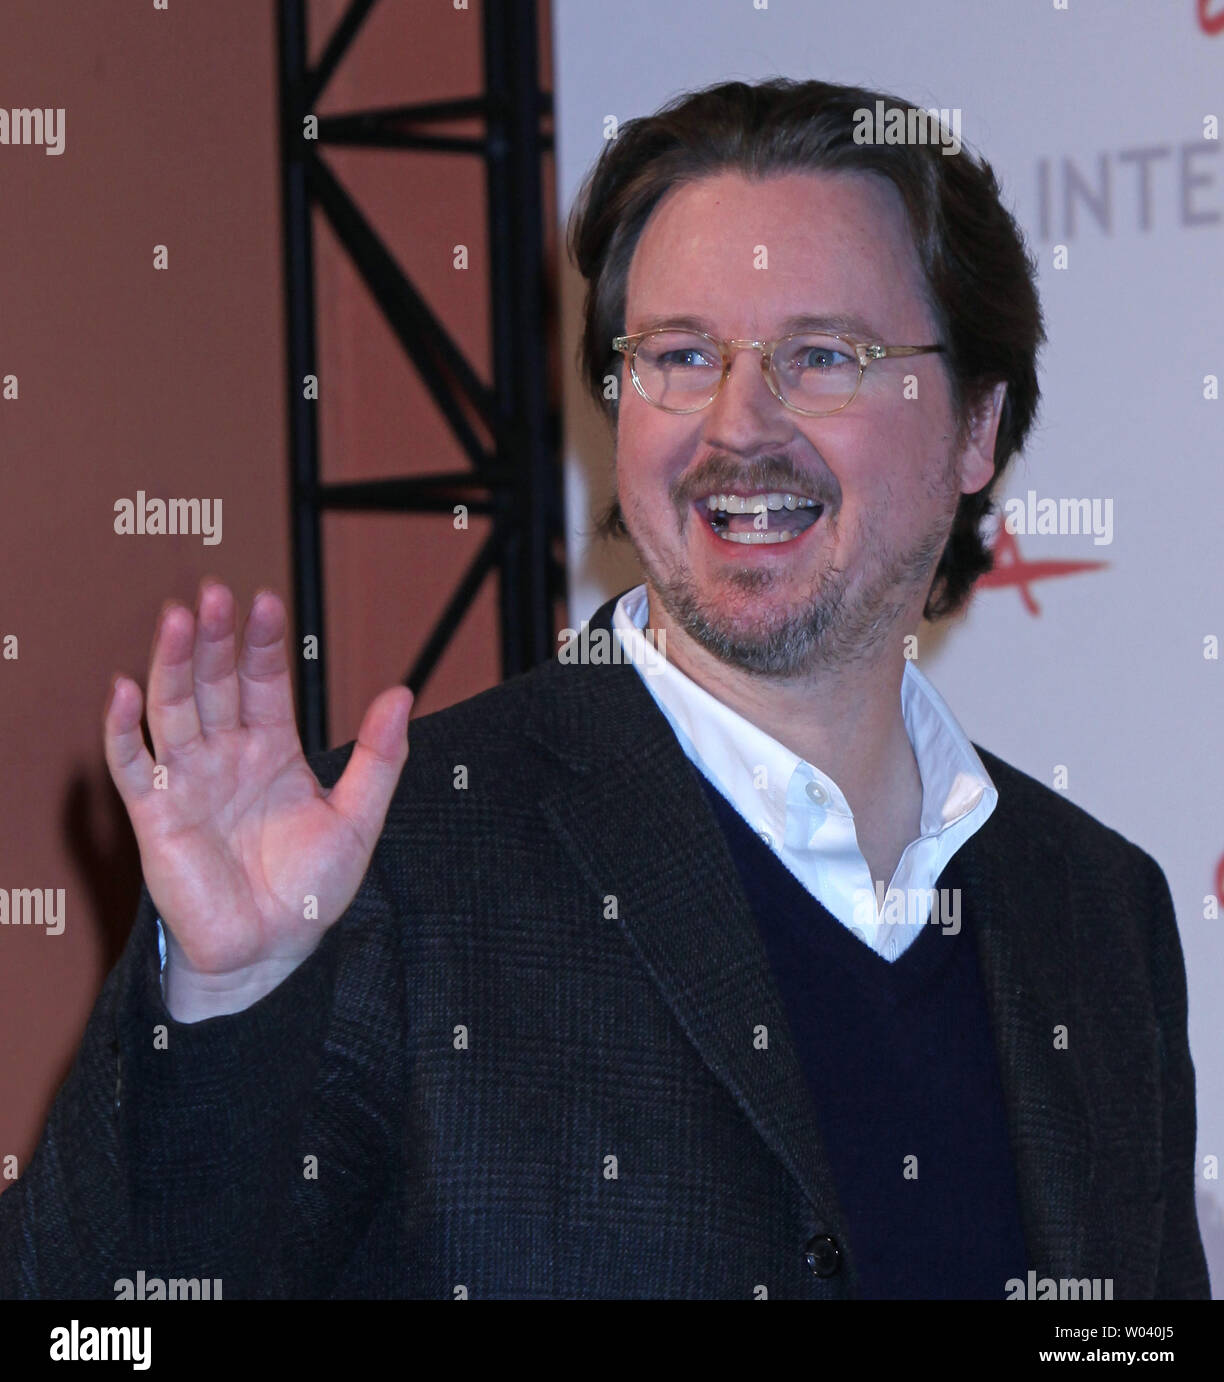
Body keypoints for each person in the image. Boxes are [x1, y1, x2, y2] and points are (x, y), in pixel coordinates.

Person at [0, 77, 1209, 1300]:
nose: (739, 426)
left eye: (823, 357)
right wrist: (227, 1010)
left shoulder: (1096, 913)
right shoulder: (388, 866)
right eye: (680, 355)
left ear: (976, 429)